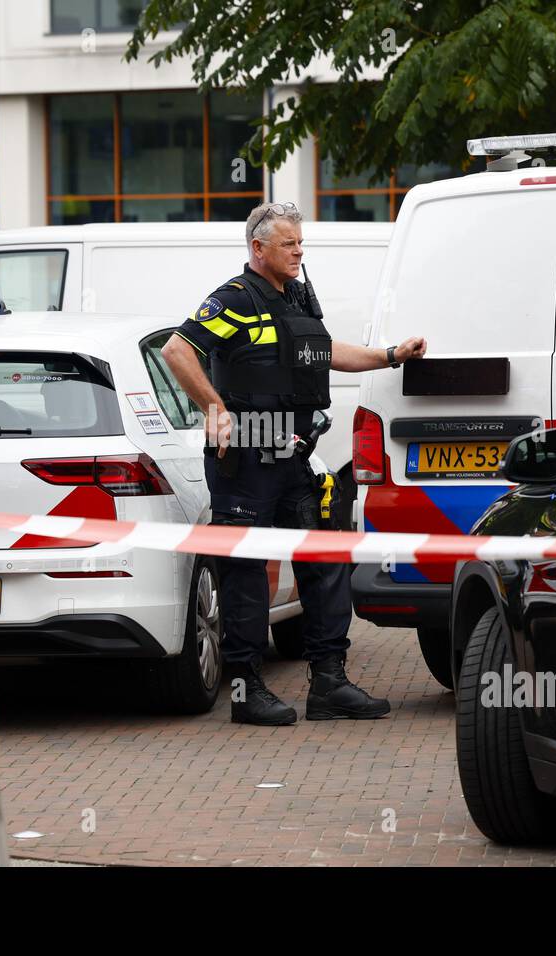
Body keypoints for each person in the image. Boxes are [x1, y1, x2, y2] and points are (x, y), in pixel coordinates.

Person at [160, 201, 427, 725]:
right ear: (258, 249)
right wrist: (214, 409)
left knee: (324, 561)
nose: (299, 251)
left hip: (295, 456)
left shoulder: (298, 298)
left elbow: (327, 353)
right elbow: (176, 350)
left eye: (301, 243)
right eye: (289, 244)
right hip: (246, 461)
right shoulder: (233, 299)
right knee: (246, 574)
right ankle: (246, 692)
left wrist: (392, 355)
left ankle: (329, 684)